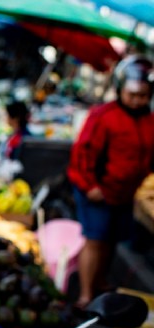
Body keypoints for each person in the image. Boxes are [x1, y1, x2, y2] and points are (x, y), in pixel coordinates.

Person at [67, 55, 154, 308]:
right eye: (132, 95)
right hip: (98, 191)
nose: (137, 101)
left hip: (125, 194)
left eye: (143, 96)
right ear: (120, 89)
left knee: (112, 240)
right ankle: (85, 294)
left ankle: (101, 281)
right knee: (95, 240)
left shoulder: (149, 121)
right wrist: (89, 186)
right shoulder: (104, 116)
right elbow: (82, 154)